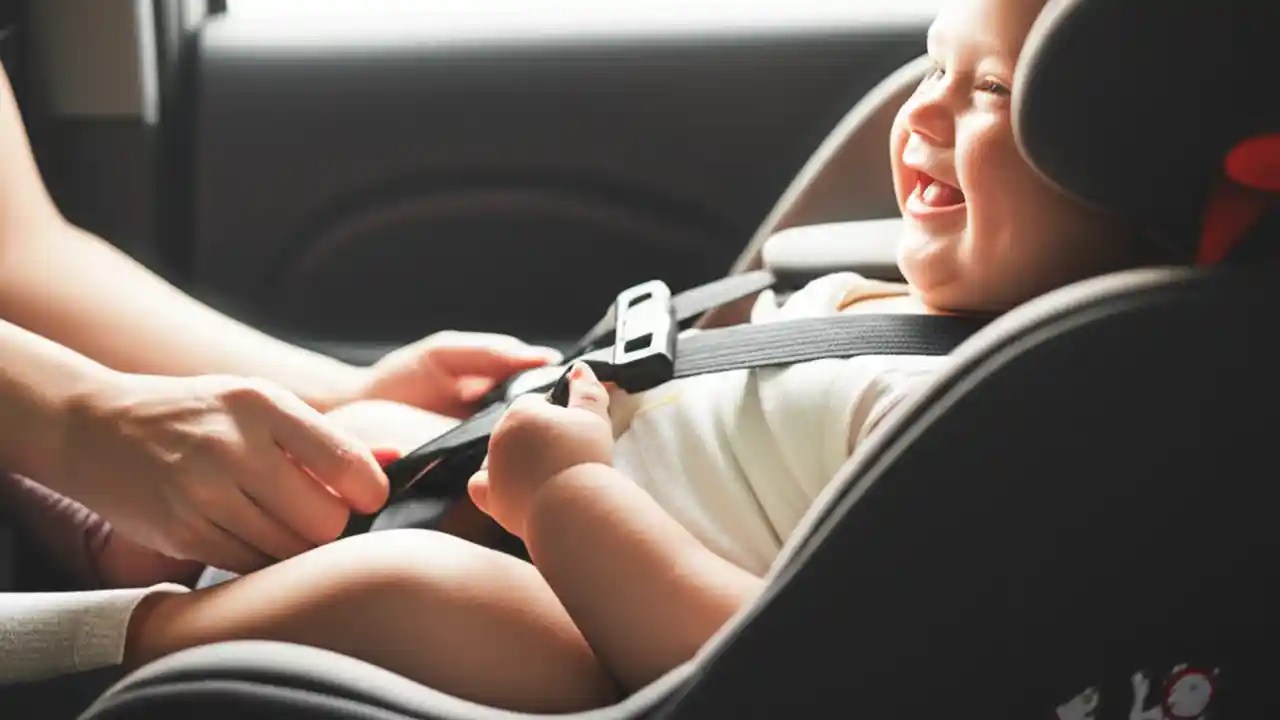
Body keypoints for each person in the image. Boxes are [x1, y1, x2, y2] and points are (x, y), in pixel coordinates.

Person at [1, 0, 1173, 711]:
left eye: (988, 91)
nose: (921, 112)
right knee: (370, 446)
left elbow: (782, 667)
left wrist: (568, 498)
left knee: (427, 592)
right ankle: (115, 534)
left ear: (1143, 193)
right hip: (520, 494)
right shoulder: (926, 312)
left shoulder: (991, 417)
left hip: (578, 616)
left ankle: (101, 641)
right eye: (930, 65)